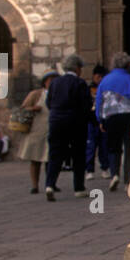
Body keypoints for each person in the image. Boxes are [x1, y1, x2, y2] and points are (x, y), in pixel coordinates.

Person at [44, 54, 92, 200]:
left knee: (55, 153)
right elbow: (86, 105)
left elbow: (49, 102)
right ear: (77, 68)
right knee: (78, 154)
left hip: (56, 121)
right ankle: (78, 187)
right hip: (75, 122)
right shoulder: (80, 83)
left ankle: (50, 184)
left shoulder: (55, 83)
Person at [96, 52, 130, 191]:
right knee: (129, 148)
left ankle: (114, 174)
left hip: (111, 117)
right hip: (129, 116)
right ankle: (127, 181)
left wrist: (100, 119)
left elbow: (99, 100)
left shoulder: (105, 80)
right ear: (127, 64)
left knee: (113, 147)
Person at [20, 70, 55, 194]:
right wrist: (33, 108)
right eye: (50, 80)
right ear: (45, 82)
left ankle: (50, 184)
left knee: (50, 159)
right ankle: (35, 185)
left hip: (51, 130)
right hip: (36, 131)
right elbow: (23, 109)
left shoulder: (57, 94)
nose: (52, 83)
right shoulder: (36, 94)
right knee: (35, 159)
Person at [85, 64, 111, 179]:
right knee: (91, 146)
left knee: (104, 146)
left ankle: (105, 168)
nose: (99, 79)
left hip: (103, 120)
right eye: (97, 76)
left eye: (102, 76)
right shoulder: (88, 88)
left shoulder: (107, 88)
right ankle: (89, 170)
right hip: (91, 121)